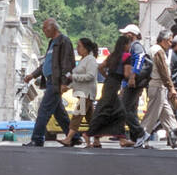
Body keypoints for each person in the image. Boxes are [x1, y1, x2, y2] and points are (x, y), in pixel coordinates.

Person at [22, 18, 75, 147]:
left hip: (56, 82)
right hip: (50, 81)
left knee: (43, 110)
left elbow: (68, 64)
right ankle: (74, 137)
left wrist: (64, 82)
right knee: (59, 113)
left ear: (53, 27)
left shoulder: (64, 41)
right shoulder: (52, 43)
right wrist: (32, 75)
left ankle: (37, 138)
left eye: (45, 28)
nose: (43, 31)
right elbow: (46, 64)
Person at [142, 30, 177, 148]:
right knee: (152, 115)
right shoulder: (158, 51)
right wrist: (171, 88)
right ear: (163, 40)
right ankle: (141, 138)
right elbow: (163, 72)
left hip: (160, 87)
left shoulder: (156, 50)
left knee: (168, 115)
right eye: (169, 41)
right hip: (158, 86)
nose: (170, 44)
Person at [85, 34, 133, 146]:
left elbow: (100, 67)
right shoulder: (127, 56)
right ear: (125, 44)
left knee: (112, 112)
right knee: (107, 112)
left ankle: (110, 138)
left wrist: (107, 76)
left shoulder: (113, 56)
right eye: (129, 44)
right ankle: (89, 134)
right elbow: (126, 74)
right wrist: (133, 76)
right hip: (114, 85)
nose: (129, 46)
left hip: (108, 84)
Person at [117, 24, 151, 148]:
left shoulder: (136, 46)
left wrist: (132, 76)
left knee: (123, 109)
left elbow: (140, 58)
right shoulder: (130, 47)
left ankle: (141, 133)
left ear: (132, 34)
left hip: (134, 83)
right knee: (131, 110)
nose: (124, 36)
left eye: (126, 33)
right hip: (130, 83)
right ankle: (136, 137)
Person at [63, 37, 100, 147]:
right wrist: (68, 86)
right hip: (82, 93)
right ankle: (97, 140)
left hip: (86, 93)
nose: (77, 49)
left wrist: (73, 77)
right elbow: (77, 79)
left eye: (79, 46)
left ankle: (69, 138)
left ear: (86, 48)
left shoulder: (90, 60)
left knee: (78, 115)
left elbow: (90, 76)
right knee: (91, 118)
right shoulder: (83, 60)